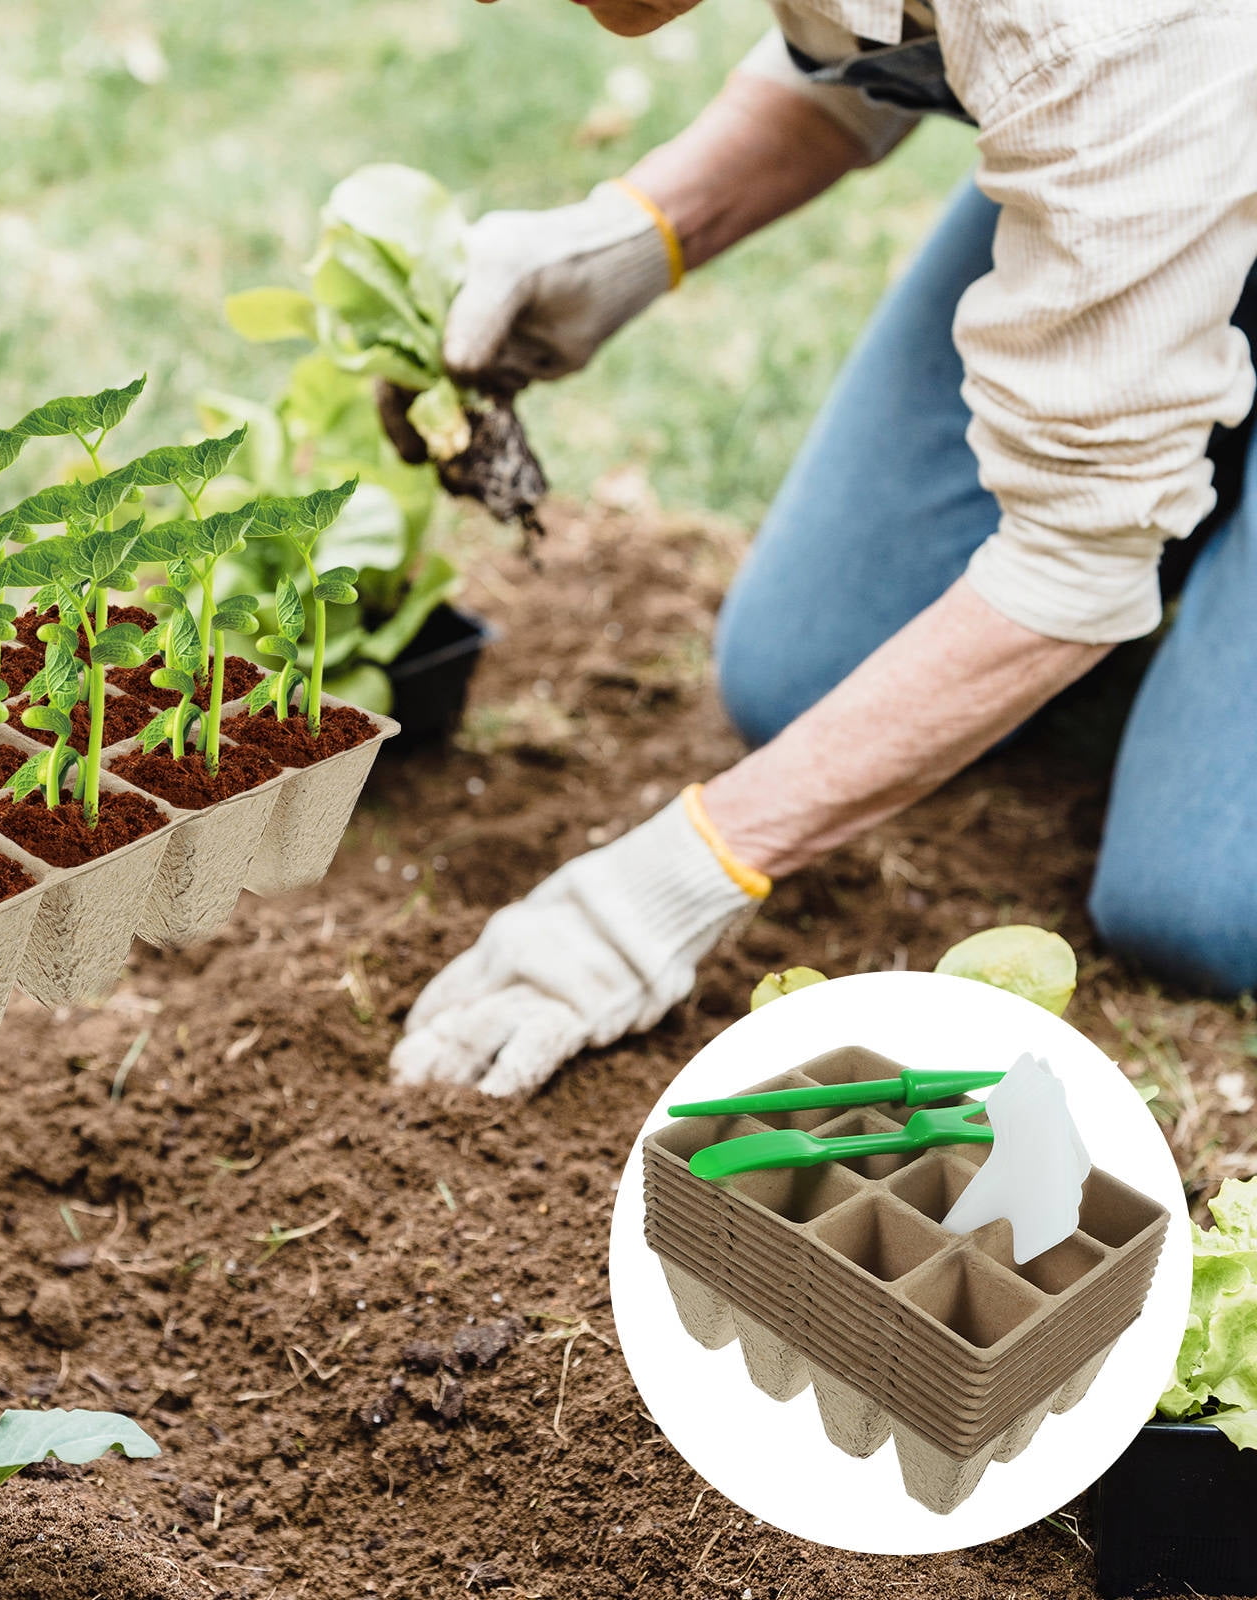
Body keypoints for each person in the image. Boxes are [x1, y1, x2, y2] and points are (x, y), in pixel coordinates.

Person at [389, 0, 1257, 1097]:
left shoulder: (1094, 29)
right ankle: (1145, 361)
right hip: (1160, 128)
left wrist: (653, 893)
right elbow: (884, 35)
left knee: (1201, 902)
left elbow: (1069, 566)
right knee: (798, 669)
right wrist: (637, 234)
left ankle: (1154, 400)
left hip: (1156, 91)